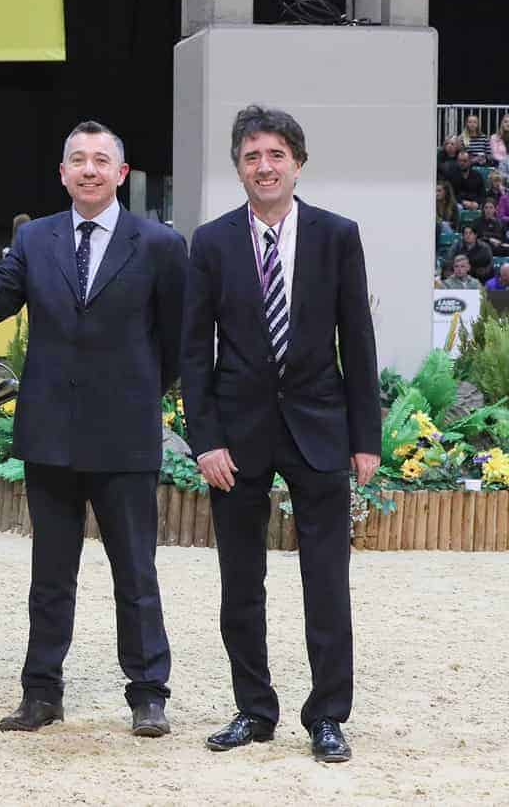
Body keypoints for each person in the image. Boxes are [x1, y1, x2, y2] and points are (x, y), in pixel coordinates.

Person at [0, 121, 187, 737]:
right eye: (76, 159)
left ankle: (148, 694)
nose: (88, 169)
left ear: (120, 174)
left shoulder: (159, 244)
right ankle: (41, 694)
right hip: (51, 434)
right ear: (61, 173)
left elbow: (177, 343)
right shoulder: (36, 239)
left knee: (136, 574)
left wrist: (135, 394)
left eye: (101, 160)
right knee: (50, 577)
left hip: (126, 436)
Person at [181, 105, 380, 763]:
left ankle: (327, 715)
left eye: (275, 155)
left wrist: (366, 438)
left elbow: (358, 338)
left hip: (320, 429)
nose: (264, 167)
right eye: (250, 157)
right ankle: (253, 709)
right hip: (236, 438)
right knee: (241, 580)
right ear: (238, 167)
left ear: (298, 162)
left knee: (326, 579)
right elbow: (193, 350)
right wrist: (205, 438)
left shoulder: (336, 235)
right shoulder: (209, 243)